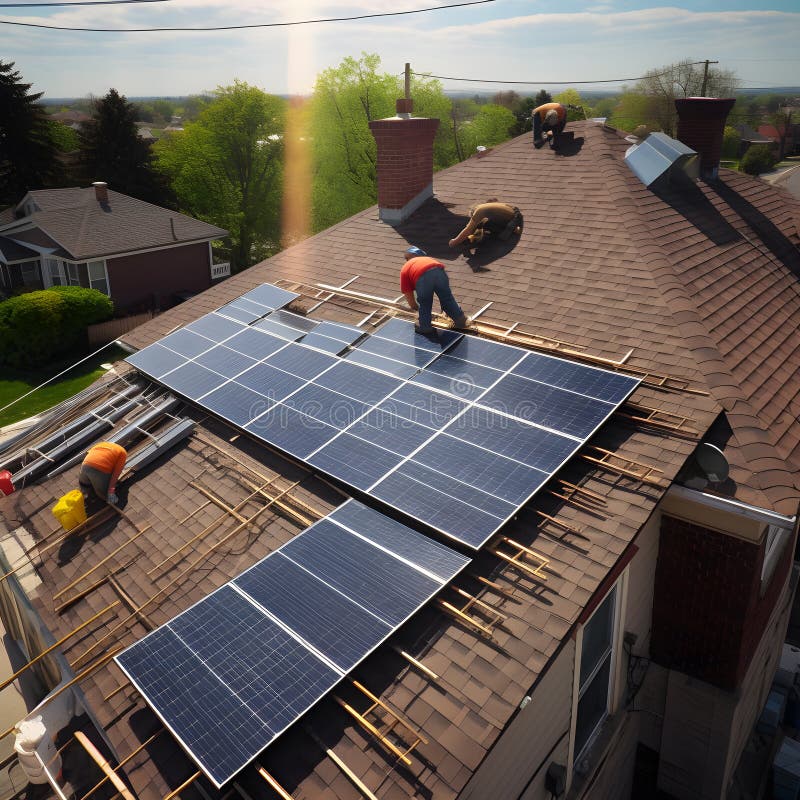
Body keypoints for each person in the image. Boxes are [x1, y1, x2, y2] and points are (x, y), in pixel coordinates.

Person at [400, 247, 471, 334]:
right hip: (439, 270)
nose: (406, 260)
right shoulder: (427, 259)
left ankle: (425, 327)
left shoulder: (406, 268)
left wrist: (416, 308)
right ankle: (461, 320)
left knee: (425, 303)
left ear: (412, 256)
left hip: (423, 276)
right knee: (447, 298)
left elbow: (409, 296)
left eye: (407, 258)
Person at [448, 200, 523, 249]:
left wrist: (454, 242)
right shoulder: (484, 207)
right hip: (516, 215)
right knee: (485, 223)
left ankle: (507, 231)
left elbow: (468, 230)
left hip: (512, 221)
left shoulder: (478, 212)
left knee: (485, 224)